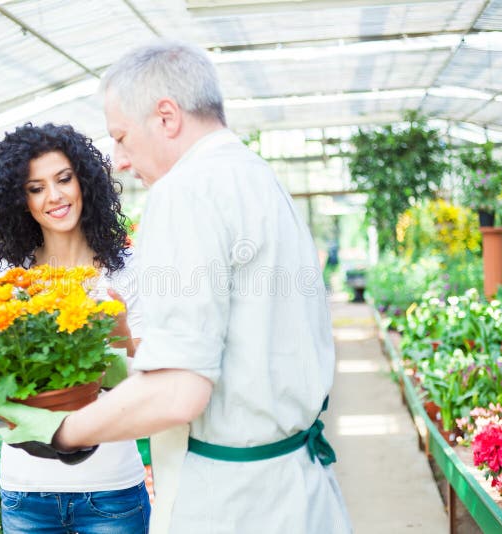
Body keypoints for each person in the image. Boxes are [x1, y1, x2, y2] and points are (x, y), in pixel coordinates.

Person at [50, 41, 352, 533]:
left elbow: (178, 391)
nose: (120, 161)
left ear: (166, 117)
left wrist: (62, 432)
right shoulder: (258, 177)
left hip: (233, 504)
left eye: (122, 138)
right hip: (296, 488)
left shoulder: (185, 191)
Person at [0, 122, 150, 533]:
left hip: (111, 489)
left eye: (63, 179)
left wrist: (120, 324)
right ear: (20, 201)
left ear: (85, 182)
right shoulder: (9, 276)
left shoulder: (125, 271)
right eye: (35, 188)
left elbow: (149, 379)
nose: (54, 196)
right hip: (26, 490)